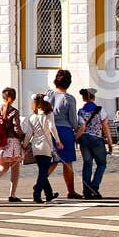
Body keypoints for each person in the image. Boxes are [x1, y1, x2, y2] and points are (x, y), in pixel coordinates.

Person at [46, 70, 83, 199]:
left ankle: (41, 183)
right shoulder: (69, 99)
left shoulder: (49, 95)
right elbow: (73, 120)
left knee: (53, 161)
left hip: (50, 130)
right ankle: (71, 191)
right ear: (69, 83)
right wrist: (78, 128)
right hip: (65, 131)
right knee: (67, 163)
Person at [0, 87, 26, 202]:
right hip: (13, 141)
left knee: (3, 167)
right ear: (13, 98)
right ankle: (12, 194)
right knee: (15, 169)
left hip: (1, 142)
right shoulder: (14, 111)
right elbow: (16, 128)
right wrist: (22, 136)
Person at [22, 94, 62, 204]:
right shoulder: (49, 114)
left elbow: (29, 134)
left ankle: (49, 194)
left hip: (36, 146)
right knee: (43, 172)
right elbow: (52, 127)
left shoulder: (32, 117)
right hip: (46, 146)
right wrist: (58, 141)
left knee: (42, 170)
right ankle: (37, 192)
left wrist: (25, 145)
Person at [77, 88, 112, 199]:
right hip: (96, 139)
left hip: (84, 140)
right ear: (93, 97)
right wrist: (110, 143)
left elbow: (81, 128)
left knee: (87, 165)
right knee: (101, 164)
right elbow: (106, 127)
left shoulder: (80, 111)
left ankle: (86, 191)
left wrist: (75, 138)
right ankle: (94, 187)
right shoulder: (100, 110)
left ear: (83, 98)